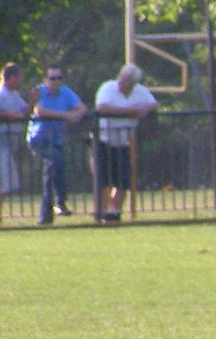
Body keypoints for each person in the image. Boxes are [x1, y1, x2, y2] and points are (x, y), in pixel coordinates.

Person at [92, 62, 158, 223]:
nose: (122, 82)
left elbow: (153, 103)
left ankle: (114, 213)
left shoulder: (140, 91)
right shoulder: (108, 87)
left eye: (127, 80)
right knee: (103, 181)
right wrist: (129, 112)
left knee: (123, 182)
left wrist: (145, 110)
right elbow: (102, 108)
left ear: (134, 83)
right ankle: (100, 214)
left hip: (125, 143)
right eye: (121, 78)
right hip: (104, 142)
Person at [26, 64, 86, 225]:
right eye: (52, 78)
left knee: (52, 168)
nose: (56, 81)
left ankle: (45, 215)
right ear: (45, 80)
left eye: (59, 78)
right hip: (39, 139)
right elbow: (40, 111)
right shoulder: (39, 91)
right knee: (56, 160)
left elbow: (82, 109)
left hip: (56, 140)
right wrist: (67, 115)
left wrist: (76, 115)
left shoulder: (66, 92)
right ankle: (59, 201)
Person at [0, 63, 33, 227]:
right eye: (19, 77)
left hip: (9, 145)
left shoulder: (14, 94)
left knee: (6, 184)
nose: (21, 81)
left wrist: (32, 101)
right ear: (11, 77)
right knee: (3, 184)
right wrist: (8, 115)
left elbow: (22, 113)